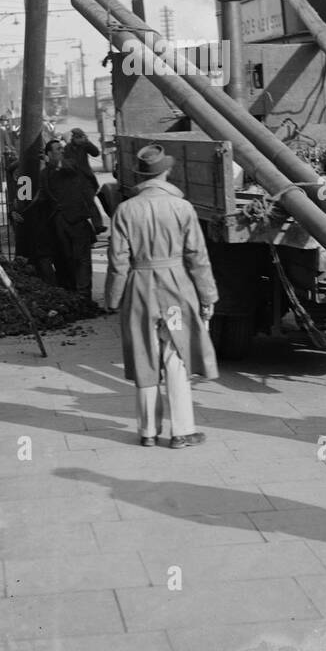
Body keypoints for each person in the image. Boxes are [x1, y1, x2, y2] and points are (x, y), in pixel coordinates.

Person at [104, 145, 219, 449]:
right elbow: (198, 256)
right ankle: (182, 431)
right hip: (175, 290)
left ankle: (148, 432)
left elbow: (118, 261)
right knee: (176, 356)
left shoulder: (125, 210)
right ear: (166, 173)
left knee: (145, 355)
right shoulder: (183, 208)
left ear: (142, 175)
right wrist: (208, 295)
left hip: (140, 289)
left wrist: (113, 299)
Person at [38, 137, 96, 299]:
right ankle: (74, 292)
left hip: (77, 220)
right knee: (68, 258)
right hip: (60, 222)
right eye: (58, 149)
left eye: (62, 148)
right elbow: (42, 196)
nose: (62, 151)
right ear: (49, 153)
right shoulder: (44, 174)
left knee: (82, 260)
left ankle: (84, 295)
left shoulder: (70, 163)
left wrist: (53, 163)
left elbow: (69, 167)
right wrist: (20, 210)